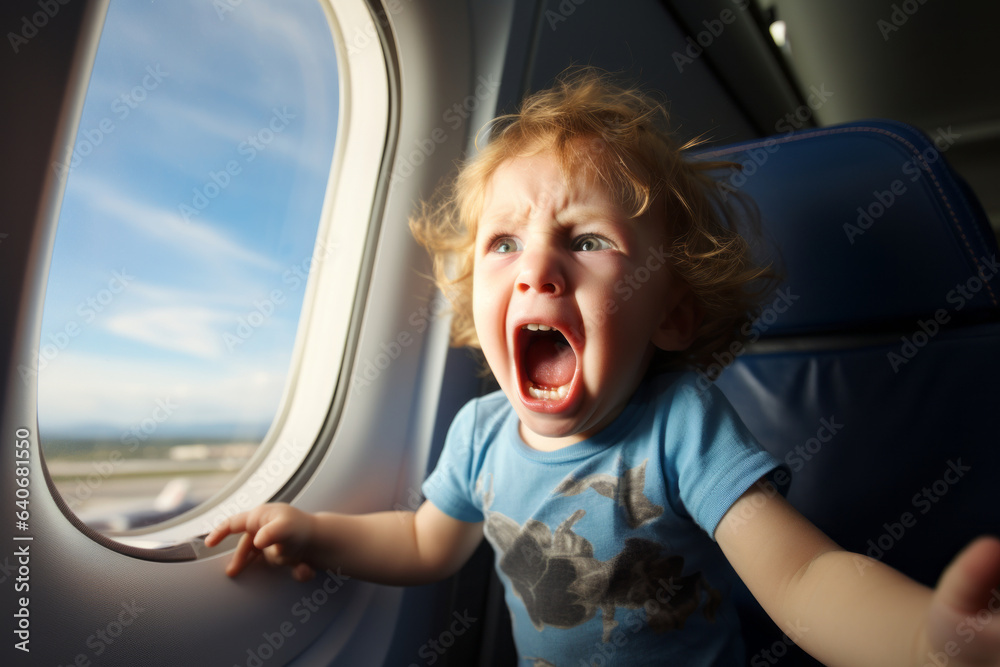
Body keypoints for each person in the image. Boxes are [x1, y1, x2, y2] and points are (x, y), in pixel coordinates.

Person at [205, 69, 1000, 666]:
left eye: (587, 241)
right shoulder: (479, 433)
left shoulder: (681, 425)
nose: (535, 269)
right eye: (503, 243)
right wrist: (315, 531)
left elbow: (805, 578)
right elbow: (424, 543)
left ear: (672, 313)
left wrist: (927, 641)